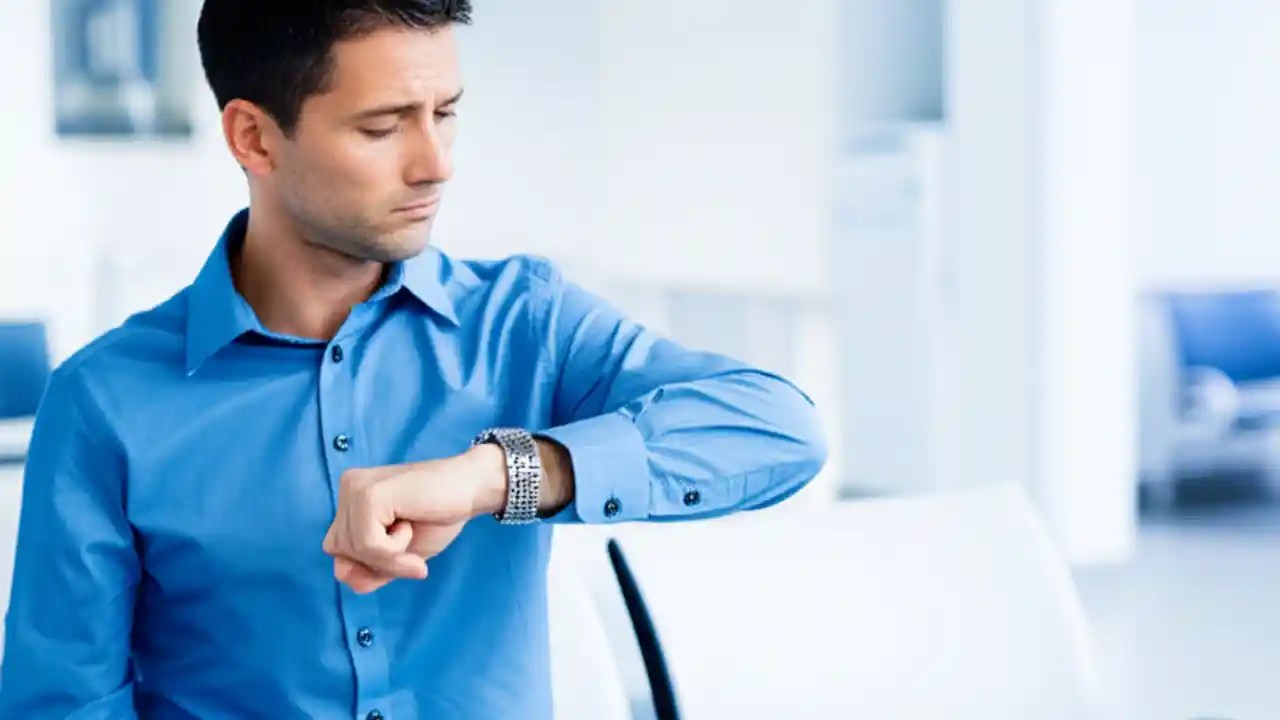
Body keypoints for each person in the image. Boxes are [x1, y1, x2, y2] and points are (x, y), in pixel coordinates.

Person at [0, 1, 828, 717]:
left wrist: (498, 475)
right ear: (254, 137)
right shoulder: (104, 402)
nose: (436, 163)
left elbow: (779, 428)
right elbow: (65, 704)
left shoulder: (524, 323)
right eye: (383, 125)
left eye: (445, 112)